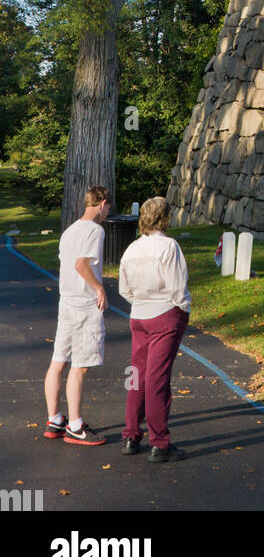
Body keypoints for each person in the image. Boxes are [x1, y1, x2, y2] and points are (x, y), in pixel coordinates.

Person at [118, 196, 190, 463]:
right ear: (165, 217)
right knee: (158, 379)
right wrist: (184, 307)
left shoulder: (132, 248)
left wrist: (140, 300)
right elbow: (177, 286)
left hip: (139, 314)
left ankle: (130, 434)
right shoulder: (168, 246)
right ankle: (159, 442)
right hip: (164, 314)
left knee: (136, 375)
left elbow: (124, 289)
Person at [44, 185, 111, 446]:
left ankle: (54, 419)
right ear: (103, 203)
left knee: (58, 360)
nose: (108, 212)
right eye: (108, 207)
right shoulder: (95, 230)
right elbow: (81, 264)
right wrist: (99, 288)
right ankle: (74, 424)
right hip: (84, 304)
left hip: (66, 302)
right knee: (80, 365)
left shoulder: (69, 231)